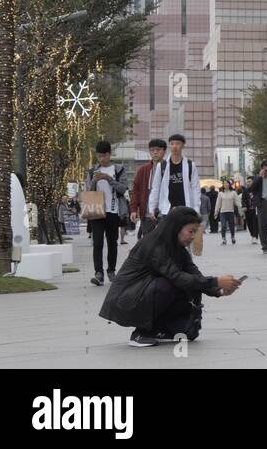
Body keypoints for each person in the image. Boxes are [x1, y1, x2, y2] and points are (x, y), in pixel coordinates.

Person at [99, 206, 242, 347]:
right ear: (176, 228)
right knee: (169, 284)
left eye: (195, 232)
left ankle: (161, 329)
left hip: (142, 295)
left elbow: (195, 275)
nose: (193, 237)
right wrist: (216, 280)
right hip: (126, 300)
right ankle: (141, 333)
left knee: (192, 288)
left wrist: (219, 290)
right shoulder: (155, 245)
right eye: (191, 231)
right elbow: (177, 277)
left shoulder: (179, 249)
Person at [85, 141, 129, 286]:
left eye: (104, 155)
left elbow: (123, 189)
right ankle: (98, 273)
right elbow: (88, 192)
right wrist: (94, 181)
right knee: (97, 243)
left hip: (113, 211)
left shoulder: (118, 169)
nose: (102, 159)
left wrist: (109, 179)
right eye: (99, 156)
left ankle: (111, 270)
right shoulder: (92, 171)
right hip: (97, 211)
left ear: (109, 154)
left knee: (112, 243)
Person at [147, 134, 201, 220]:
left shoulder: (190, 165)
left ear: (183, 146)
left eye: (178, 144)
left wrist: (196, 209)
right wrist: (152, 208)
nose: (174, 146)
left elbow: (195, 188)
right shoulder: (162, 166)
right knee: (168, 233)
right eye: (172, 144)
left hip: (185, 209)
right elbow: (155, 188)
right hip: (167, 209)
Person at [130, 139, 168, 240]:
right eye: (152, 150)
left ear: (164, 151)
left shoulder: (169, 168)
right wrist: (133, 209)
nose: (155, 152)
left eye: (158, 149)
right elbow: (136, 191)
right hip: (147, 213)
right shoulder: (143, 170)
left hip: (164, 213)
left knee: (164, 242)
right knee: (148, 243)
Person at [216, 180, 241, 246]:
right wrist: (216, 211)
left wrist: (241, 207)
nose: (225, 184)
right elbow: (218, 204)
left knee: (231, 226)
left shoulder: (233, 193)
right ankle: (223, 239)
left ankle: (232, 237)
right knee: (223, 226)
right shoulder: (220, 193)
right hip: (223, 212)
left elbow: (237, 201)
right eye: (224, 183)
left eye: (227, 183)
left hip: (230, 212)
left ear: (229, 184)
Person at [242, 177, 259, 243]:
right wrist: (244, 206)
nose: (248, 183)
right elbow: (243, 199)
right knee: (249, 224)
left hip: (255, 209)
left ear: (253, 182)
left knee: (255, 223)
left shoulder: (256, 190)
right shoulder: (245, 191)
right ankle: (252, 235)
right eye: (247, 181)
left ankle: (255, 237)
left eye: (249, 181)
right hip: (248, 210)